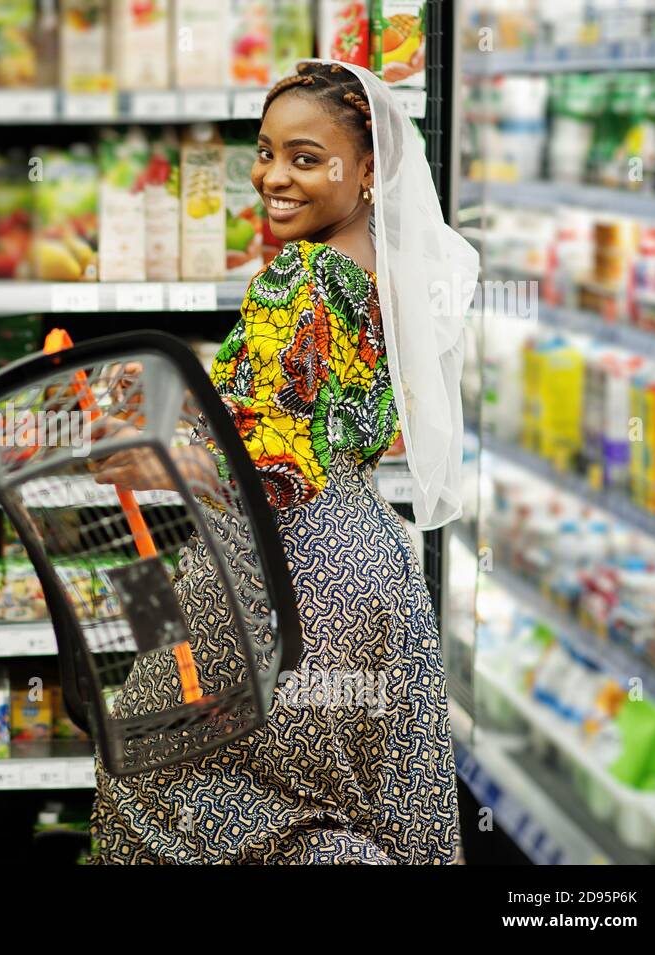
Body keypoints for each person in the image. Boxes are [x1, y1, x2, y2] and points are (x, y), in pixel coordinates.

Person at [82, 60, 479, 864]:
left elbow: (264, 468)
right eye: (265, 152)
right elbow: (316, 416)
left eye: (306, 158)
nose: (273, 176)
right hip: (368, 568)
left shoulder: (297, 276)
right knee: (345, 803)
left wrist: (142, 462)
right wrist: (179, 401)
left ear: (368, 169)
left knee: (154, 777)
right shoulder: (391, 273)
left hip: (280, 572)